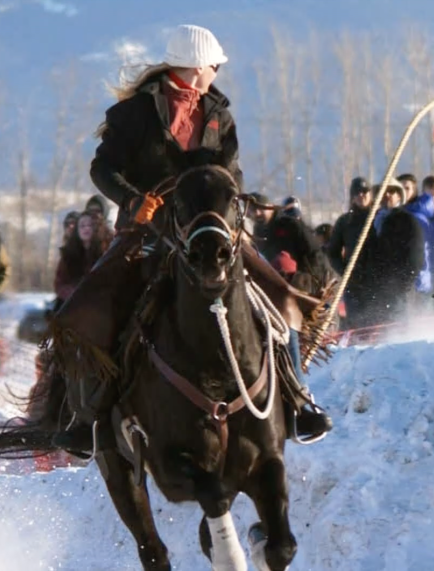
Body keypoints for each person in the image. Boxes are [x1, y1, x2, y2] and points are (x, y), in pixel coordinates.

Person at [49, 24, 331, 454]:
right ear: (196, 66)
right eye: (213, 62)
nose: (217, 69)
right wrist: (131, 201)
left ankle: (297, 402)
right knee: (90, 307)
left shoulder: (220, 113)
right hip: (150, 229)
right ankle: (85, 417)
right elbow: (101, 170)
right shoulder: (134, 114)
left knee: (279, 297)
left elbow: (231, 174)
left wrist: (233, 212)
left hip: (211, 230)